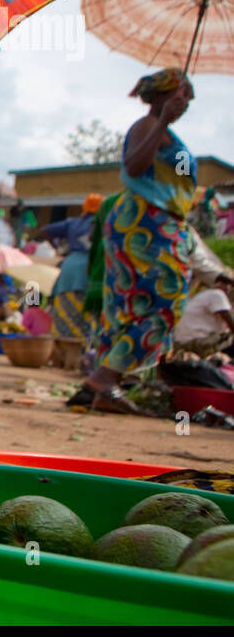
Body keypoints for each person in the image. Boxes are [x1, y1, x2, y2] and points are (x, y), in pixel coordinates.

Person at [87, 68, 197, 414]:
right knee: (164, 302)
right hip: (146, 223)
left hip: (153, 221)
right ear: (165, 96)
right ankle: (105, 377)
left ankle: (104, 384)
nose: (186, 106)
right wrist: (162, 120)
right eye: (182, 98)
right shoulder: (148, 126)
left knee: (133, 304)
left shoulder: (166, 135)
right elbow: (134, 167)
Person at [39, 194, 101, 341]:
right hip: (92, 269)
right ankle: (82, 351)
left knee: (64, 311)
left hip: (69, 267)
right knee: (88, 315)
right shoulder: (104, 222)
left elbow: (44, 231)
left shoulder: (73, 223)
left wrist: (58, 249)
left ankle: (61, 351)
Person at [170, 278, 234, 358]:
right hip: (193, 344)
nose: (228, 288)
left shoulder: (206, 294)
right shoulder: (218, 295)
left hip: (182, 341)